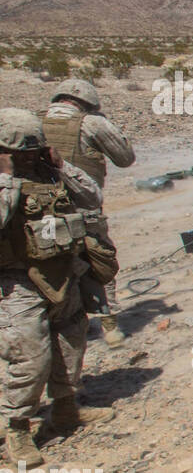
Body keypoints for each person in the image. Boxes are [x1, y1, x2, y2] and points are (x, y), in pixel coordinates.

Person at [0, 108, 115, 467]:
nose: (29, 158)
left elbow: (91, 197)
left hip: (64, 272)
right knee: (30, 357)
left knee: (70, 342)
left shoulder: (51, 172)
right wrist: (7, 179)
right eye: (22, 153)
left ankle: (66, 410)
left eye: (35, 150)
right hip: (18, 281)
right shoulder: (4, 182)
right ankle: (17, 430)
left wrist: (61, 165)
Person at [42, 78, 135, 347]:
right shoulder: (91, 123)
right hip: (84, 209)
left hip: (42, 213)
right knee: (99, 261)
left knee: (49, 265)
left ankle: (54, 327)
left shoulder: (34, 122)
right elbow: (125, 158)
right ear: (88, 103)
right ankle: (110, 326)